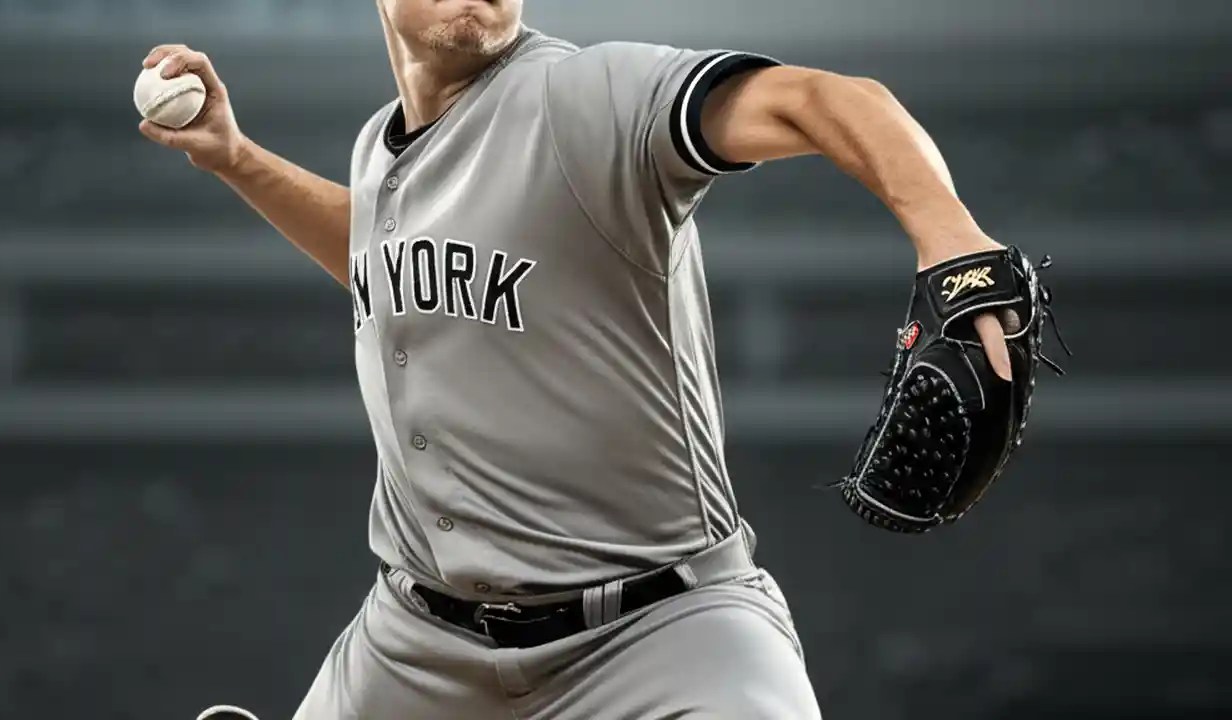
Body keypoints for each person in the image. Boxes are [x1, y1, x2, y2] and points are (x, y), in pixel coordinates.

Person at [140, 1, 1014, 718]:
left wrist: (949, 234)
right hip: (415, 651)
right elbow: (387, 260)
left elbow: (826, 99)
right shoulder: (383, 148)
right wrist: (239, 159)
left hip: (661, 636)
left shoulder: (584, 97)